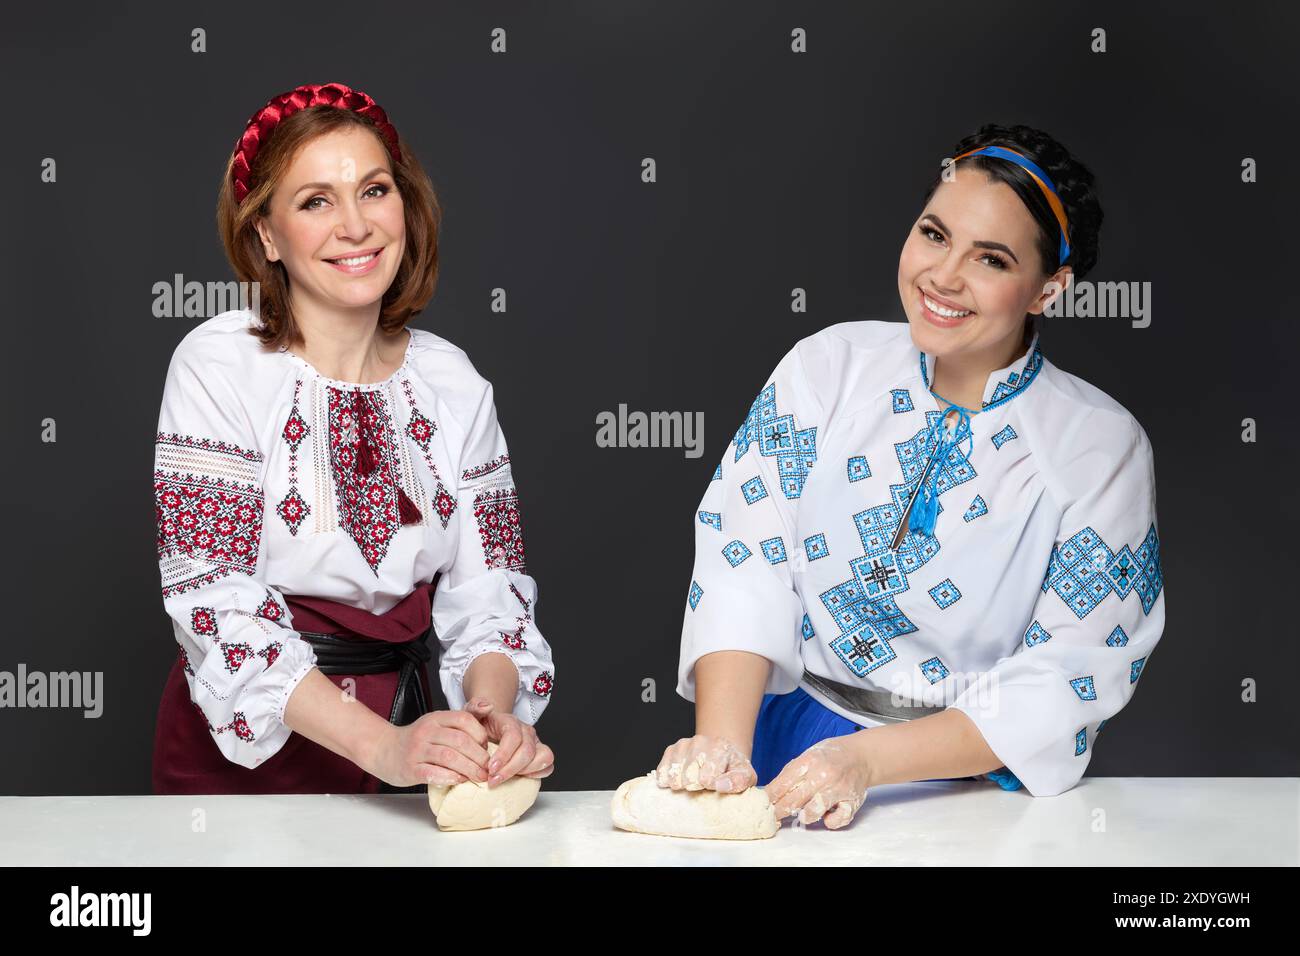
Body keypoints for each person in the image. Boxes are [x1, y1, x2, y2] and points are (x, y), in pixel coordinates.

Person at [662, 123, 1165, 828]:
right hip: (779, 739)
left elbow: (1070, 671)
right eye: (934, 234)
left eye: (991, 259)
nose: (944, 277)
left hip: (956, 778)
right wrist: (721, 750)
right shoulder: (827, 367)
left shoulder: (1099, 446)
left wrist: (866, 760)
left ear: (1048, 289)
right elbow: (745, 557)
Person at [152, 82, 555, 794]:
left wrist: (489, 722)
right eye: (316, 201)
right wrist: (384, 748)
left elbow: (489, 596)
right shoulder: (219, 365)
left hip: (415, 736)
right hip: (258, 758)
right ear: (265, 235)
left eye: (374, 190)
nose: (356, 225)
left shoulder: (453, 380)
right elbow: (216, 604)